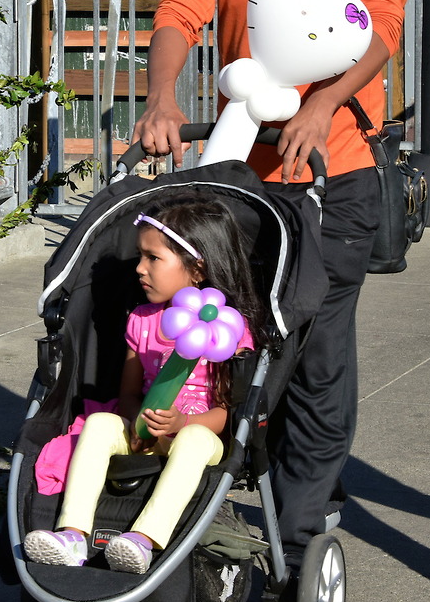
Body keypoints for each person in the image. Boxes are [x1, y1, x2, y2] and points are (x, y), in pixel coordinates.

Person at [129, 0, 405, 588]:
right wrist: (159, 97)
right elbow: (181, 11)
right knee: (235, 345)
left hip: (336, 172)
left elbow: (381, 22)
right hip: (240, 176)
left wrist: (324, 104)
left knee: (316, 351)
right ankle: (235, 477)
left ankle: (300, 521)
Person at [23, 194, 263, 574]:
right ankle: (72, 534)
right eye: (140, 255)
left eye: (153, 258)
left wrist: (182, 425)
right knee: (102, 424)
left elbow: (225, 413)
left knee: (195, 441)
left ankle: (143, 539)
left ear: (197, 269)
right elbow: (130, 391)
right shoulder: (142, 321)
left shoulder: (223, 329)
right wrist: (135, 423)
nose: (139, 268)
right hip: (143, 435)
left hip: (195, 436)